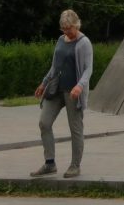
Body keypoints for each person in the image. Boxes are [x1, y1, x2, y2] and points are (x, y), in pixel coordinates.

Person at [31, 9, 92, 179]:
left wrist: (79, 86)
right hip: (56, 89)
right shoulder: (60, 40)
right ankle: (49, 163)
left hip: (73, 92)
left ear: (76, 25)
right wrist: (44, 83)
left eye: (69, 28)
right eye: (64, 29)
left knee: (75, 129)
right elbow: (54, 66)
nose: (66, 32)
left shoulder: (84, 42)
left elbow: (88, 69)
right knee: (44, 122)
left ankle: (75, 165)